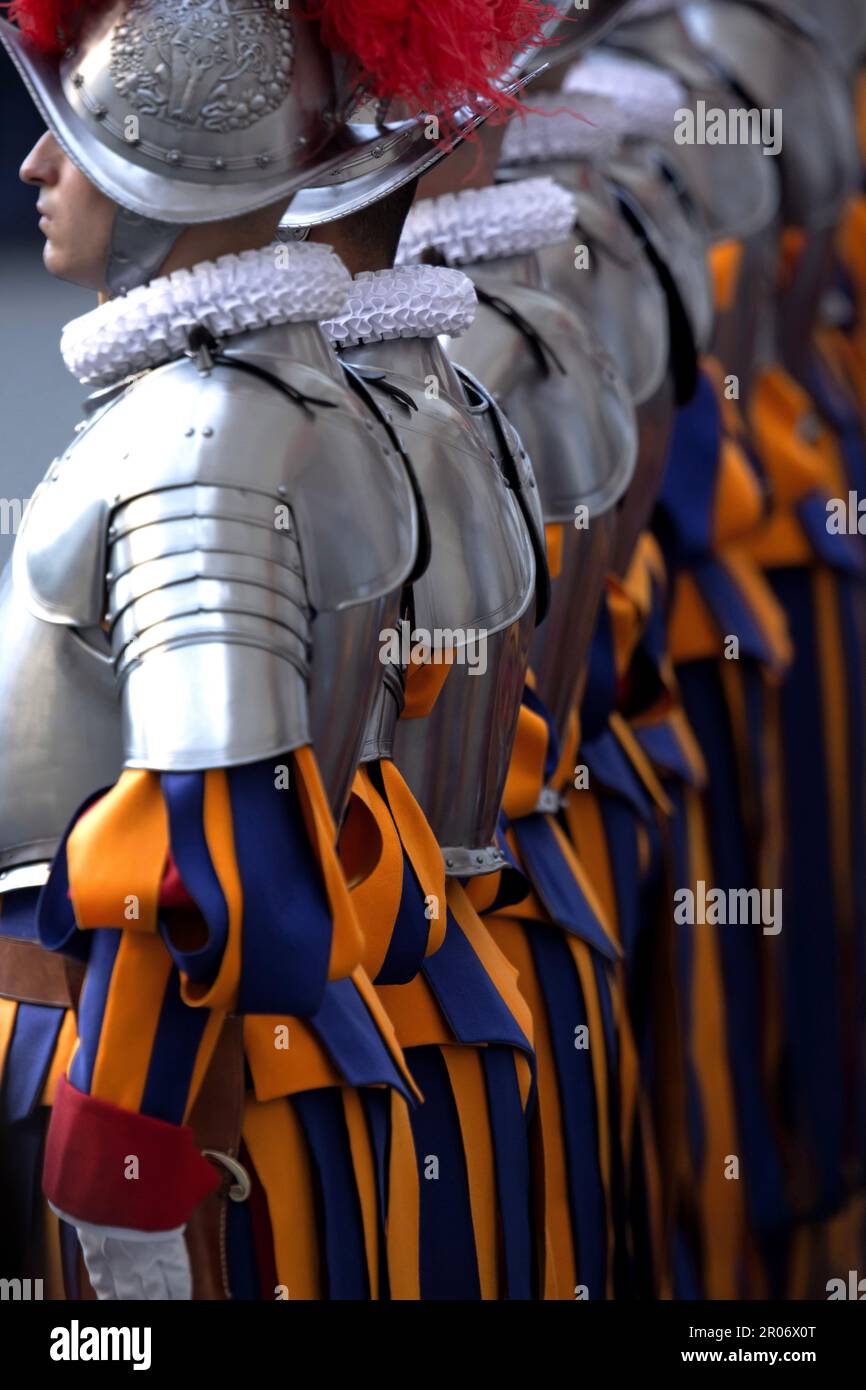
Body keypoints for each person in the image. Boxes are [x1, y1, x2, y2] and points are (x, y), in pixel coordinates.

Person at [0, 0, 552, 1300]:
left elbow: (195, 868)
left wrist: (121, 1189)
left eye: (69, 140)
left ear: (165, 161)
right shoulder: (282, 395)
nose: (34, 169)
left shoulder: (195, 440)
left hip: (156, 1094)